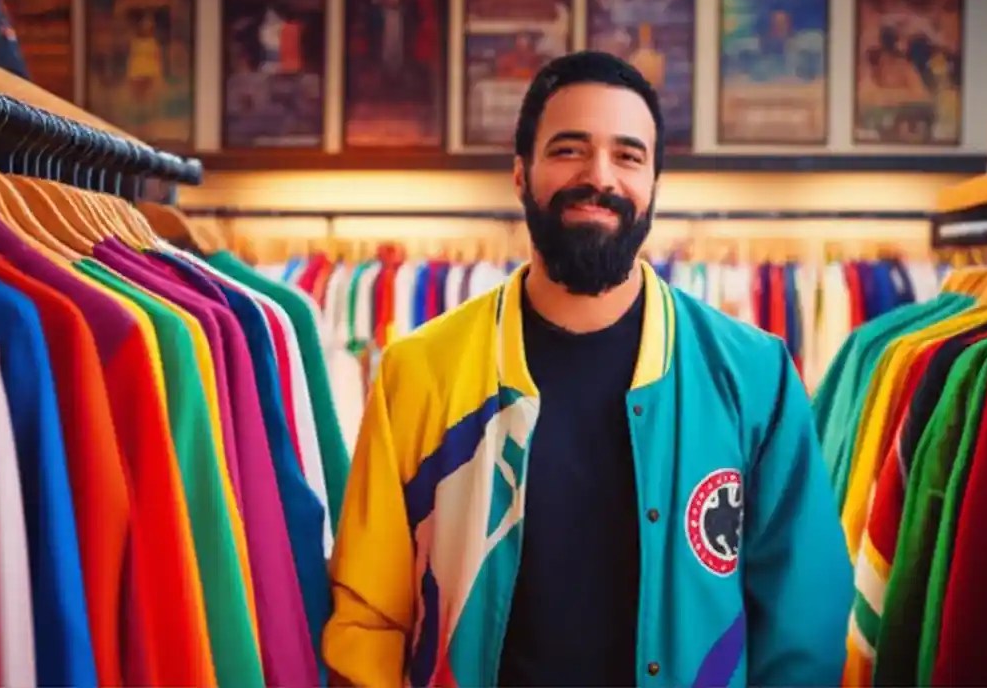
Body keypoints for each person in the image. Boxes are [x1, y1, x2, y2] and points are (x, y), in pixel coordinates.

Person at [323, 50, 852, 686]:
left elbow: (802, 620)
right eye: (569, 149)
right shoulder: (419, 373)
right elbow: (368, 618)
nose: (599, 176)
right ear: (521, 173)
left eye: (628, 156)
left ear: (654, 182)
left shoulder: (753, 376)